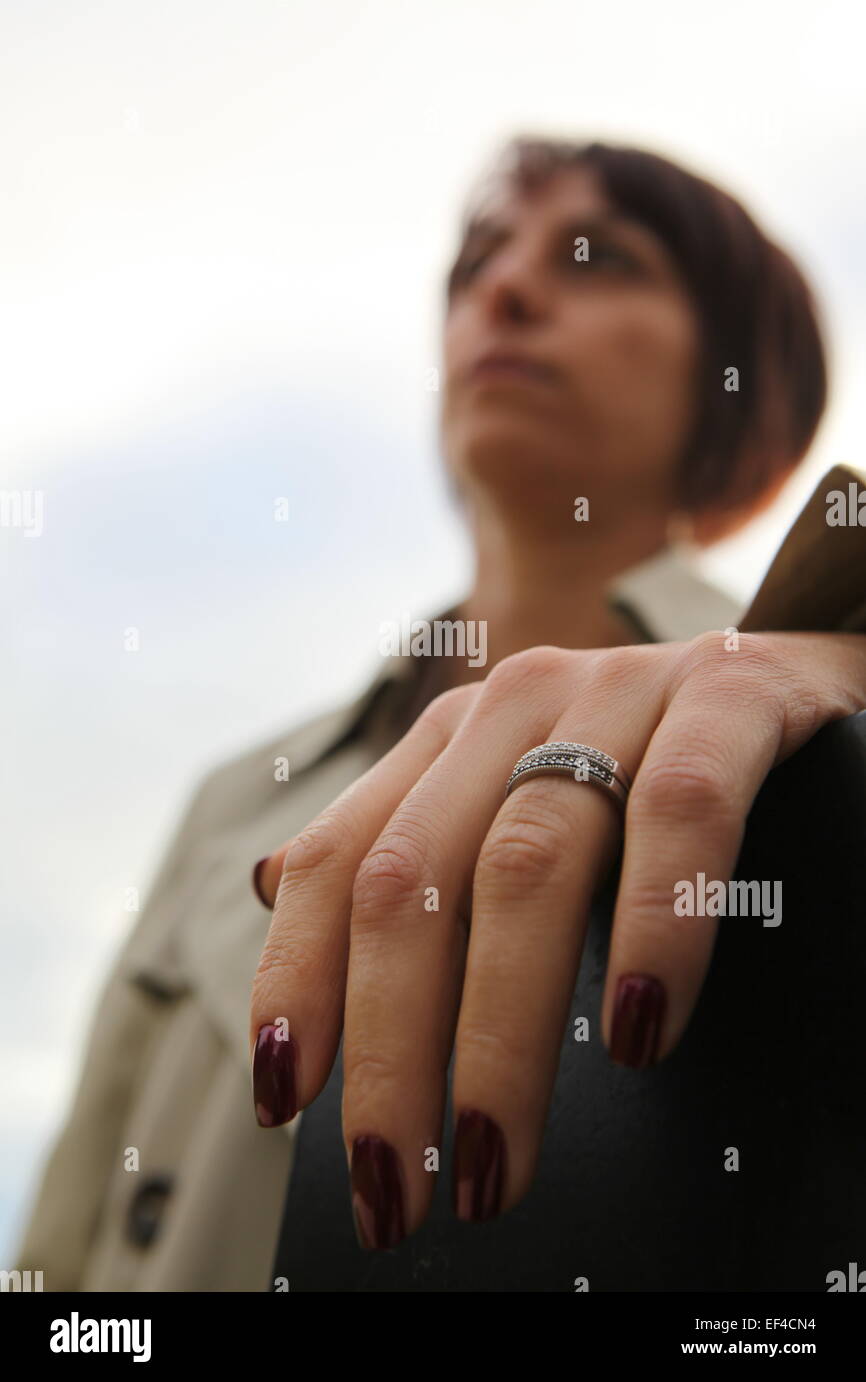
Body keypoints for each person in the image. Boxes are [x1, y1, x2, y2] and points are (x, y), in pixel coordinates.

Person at [14, 136, 866, 1290]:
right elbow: (58, 1255)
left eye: (596, 257)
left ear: (741, 379)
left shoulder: (813, 698)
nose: (503, 292)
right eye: (474, 267)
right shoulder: (236, 792)